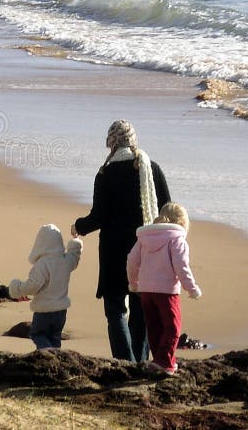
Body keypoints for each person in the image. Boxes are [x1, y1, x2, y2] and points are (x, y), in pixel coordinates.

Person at [71, 120, 170, 362]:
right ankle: (139, 361)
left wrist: (78, 226)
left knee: (115, 309)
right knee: (141, 307)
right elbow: (166, 209)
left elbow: (99, 217)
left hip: (114, 252)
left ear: (112, 144)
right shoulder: (151, 169)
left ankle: (125, 364)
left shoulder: (105, 174)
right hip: (146, 250)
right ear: (133, 140)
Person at [127, 202, 202, 375]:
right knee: (172, 327)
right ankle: (165, 362)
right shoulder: (177, 239)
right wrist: (191, 288)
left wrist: (134, 283)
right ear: (182, 223)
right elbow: (181, 266)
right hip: (167, 291)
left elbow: (131, 260)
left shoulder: (144, 238)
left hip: (146, 290)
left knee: (154, 326)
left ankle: (159, 360)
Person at [9, 224, 83, 350]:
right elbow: (74, 257)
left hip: (44, 311)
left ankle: (47, 355)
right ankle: (56, 358)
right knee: (55, 337)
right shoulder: (65, 260)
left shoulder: (42, 265)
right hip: (61, 311)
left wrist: (18, 288)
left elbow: (33, 286)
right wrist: (75, 243)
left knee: (38, 334)